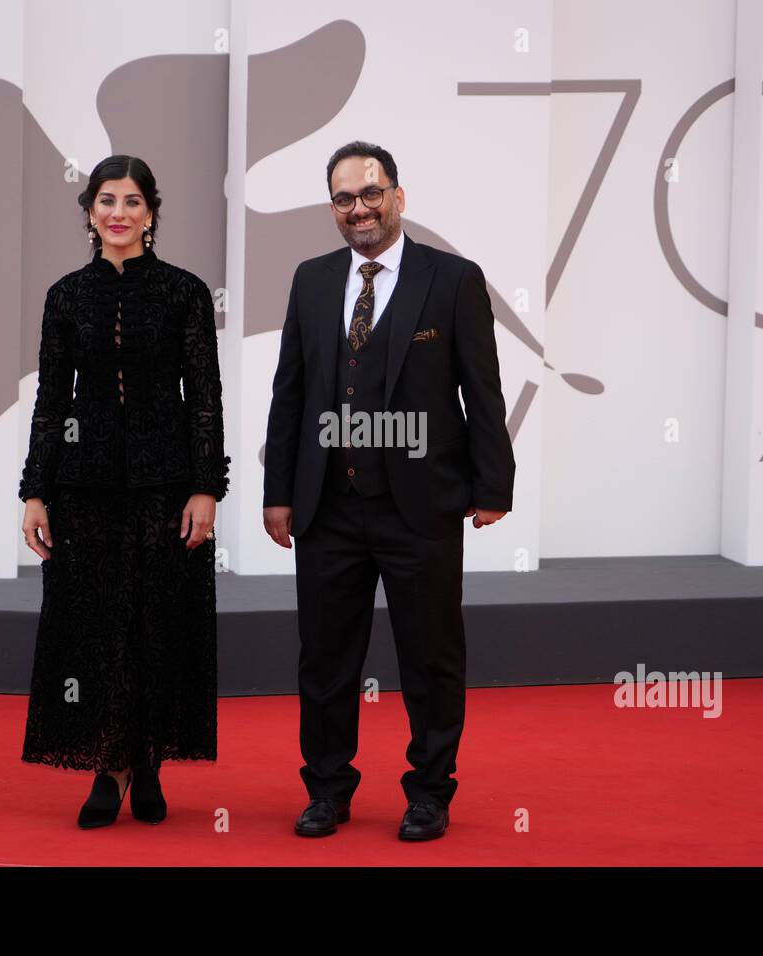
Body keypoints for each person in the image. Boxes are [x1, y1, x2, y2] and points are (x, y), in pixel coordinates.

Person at [263, 141, 516, 840]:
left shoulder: (452, 279)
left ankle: (430, 791)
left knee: (431, 657)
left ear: (398, 197)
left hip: (421, 506)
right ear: (333, 209)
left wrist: (493, 484)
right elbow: (291, 394)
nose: (360, 209)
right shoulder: (312, 281)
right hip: (326, 506)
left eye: (371, 193)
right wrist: (276, 491)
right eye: (345, 198)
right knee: (324, 658)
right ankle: (328, 789)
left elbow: (482, 391)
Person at [18, 154, 229, 829]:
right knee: (95, 629)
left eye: (133, 201)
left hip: (166, 487)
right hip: (84, 488)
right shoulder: (65, 296)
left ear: (152, 213)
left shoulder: (184, 292)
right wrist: (35, 493)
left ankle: (150, 765)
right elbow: (51, 402)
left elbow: (204, 399)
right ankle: (107, 771)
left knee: (157, 624)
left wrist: (206, 488)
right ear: (89, 211)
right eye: (107, 200)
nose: (119, 213)